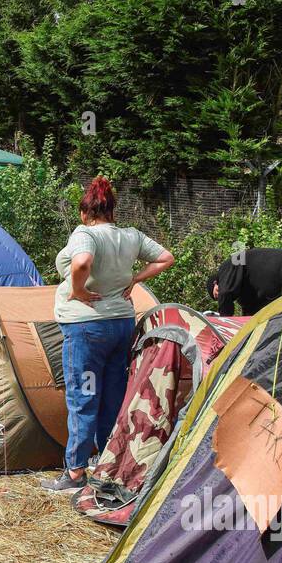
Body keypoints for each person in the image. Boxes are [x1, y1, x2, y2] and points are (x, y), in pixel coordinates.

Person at [44, 176, 175, 493]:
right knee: (113, 398)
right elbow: (166, 257)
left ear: (84, 212)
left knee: (83, 397)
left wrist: (77, 291)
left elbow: (82, 262)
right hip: (121, 326)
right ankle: (107, 464)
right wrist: (134, 281)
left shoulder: (85, 234)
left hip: (88, 327)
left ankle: (75, 473)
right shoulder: (130, 236)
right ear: (112, 210)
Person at [208, 247, 282, 316]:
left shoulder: (231, 263)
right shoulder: (245, 291)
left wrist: (225, 321)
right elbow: (253, 315)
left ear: (215, 282)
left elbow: (225, 292)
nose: (219, 297)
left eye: (216, 293)